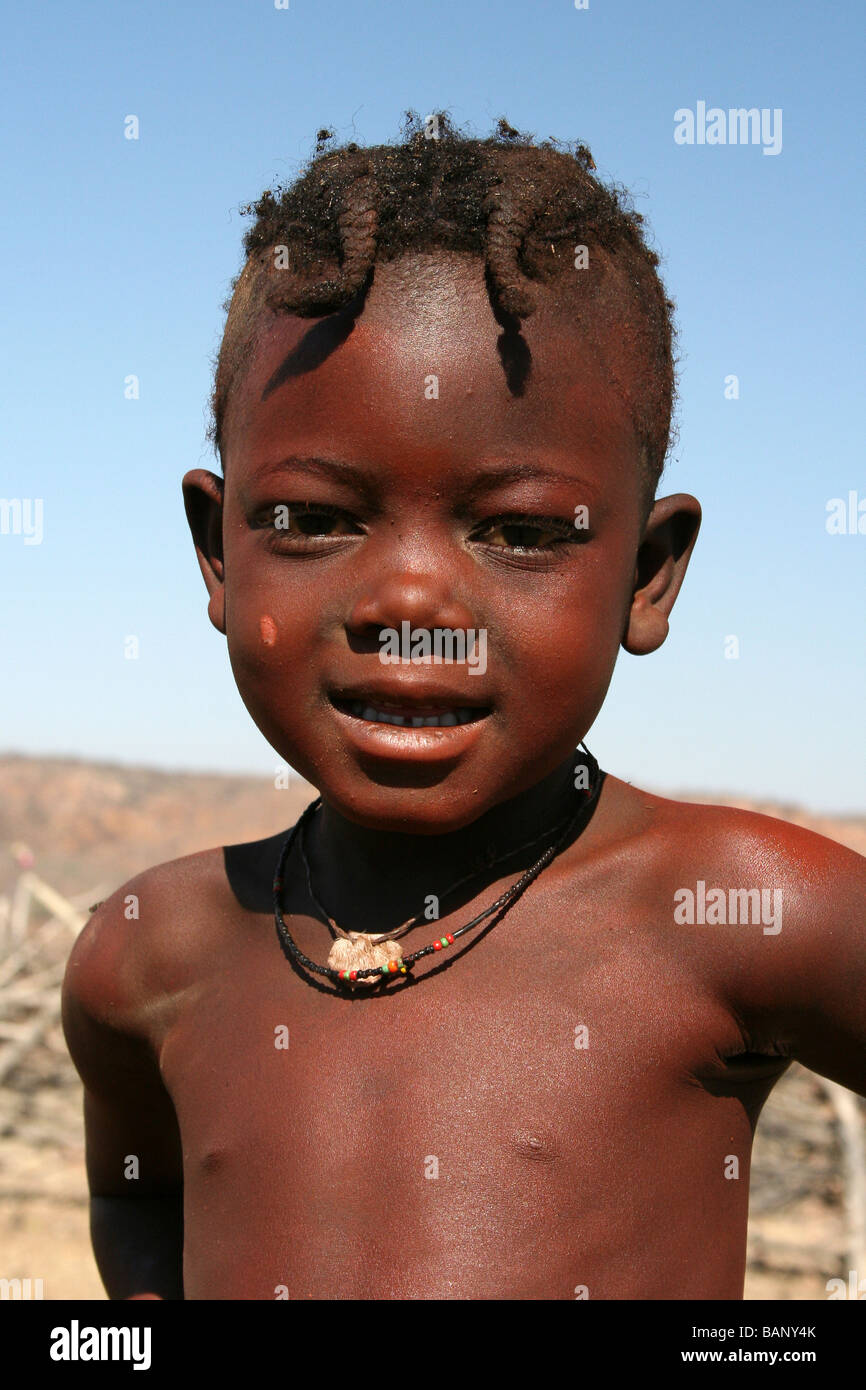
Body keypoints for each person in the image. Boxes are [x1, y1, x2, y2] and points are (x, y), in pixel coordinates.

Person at [62, 113, 866, 1300]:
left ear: (647, 575)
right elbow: (135, 1195)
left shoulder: (742, 908)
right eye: (316, 520)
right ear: (217, 555)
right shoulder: (149, 952)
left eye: (523, 533)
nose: (408, 597)